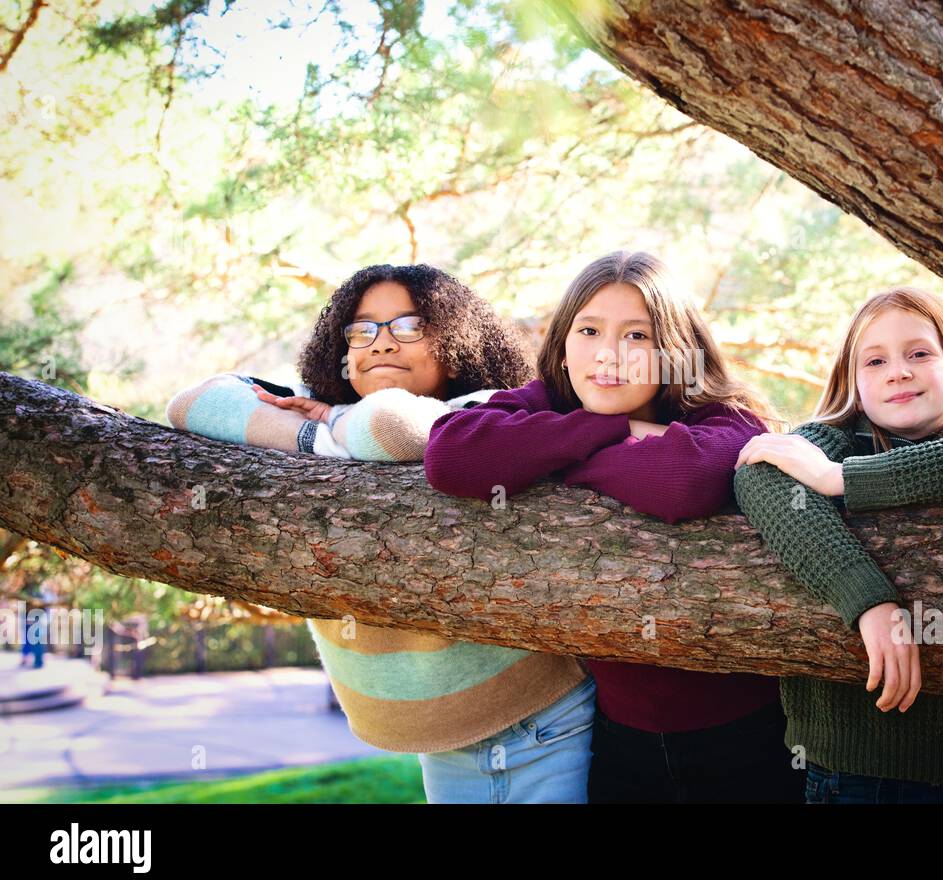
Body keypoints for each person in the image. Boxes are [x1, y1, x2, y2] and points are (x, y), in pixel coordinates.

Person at [167, 263, 595, 803]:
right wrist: (322, 429)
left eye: (408, 327)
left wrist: (321, 426)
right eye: (362, 330)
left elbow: (391, 428)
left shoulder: (485, 414)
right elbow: (192, 403)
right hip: (445, 739)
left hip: (530, 721)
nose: (381, 344)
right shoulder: (333, 416)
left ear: (456, 341)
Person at [425, 250, 805, 803]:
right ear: (562, 343)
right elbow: (452, 456)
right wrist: (616, 429)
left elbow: (680, 480)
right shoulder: (552, 400)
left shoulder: (725, 417)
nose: (608, 355)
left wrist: (551, 456)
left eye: (636, 337)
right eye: (589, 330)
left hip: (749, 737)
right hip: (621, 741)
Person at [734, 285, 943, 804]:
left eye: (919, 354)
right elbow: (758, 478)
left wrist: (839, 480)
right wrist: (871, 603)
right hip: (852, 769)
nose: (898, 371)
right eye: (875, 360)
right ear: (853, 382)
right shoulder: (828, 441)